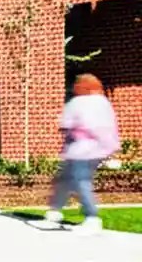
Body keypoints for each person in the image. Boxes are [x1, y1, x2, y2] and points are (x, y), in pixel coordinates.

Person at [46, 73, 120, 234]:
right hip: (100, 149)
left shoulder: (76, 103)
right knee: (68, 178)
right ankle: (55, 211)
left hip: (80, 150)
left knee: (79, 181)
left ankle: (91, 217)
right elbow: (109, 127)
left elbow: (66, 125)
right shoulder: (103, 103)